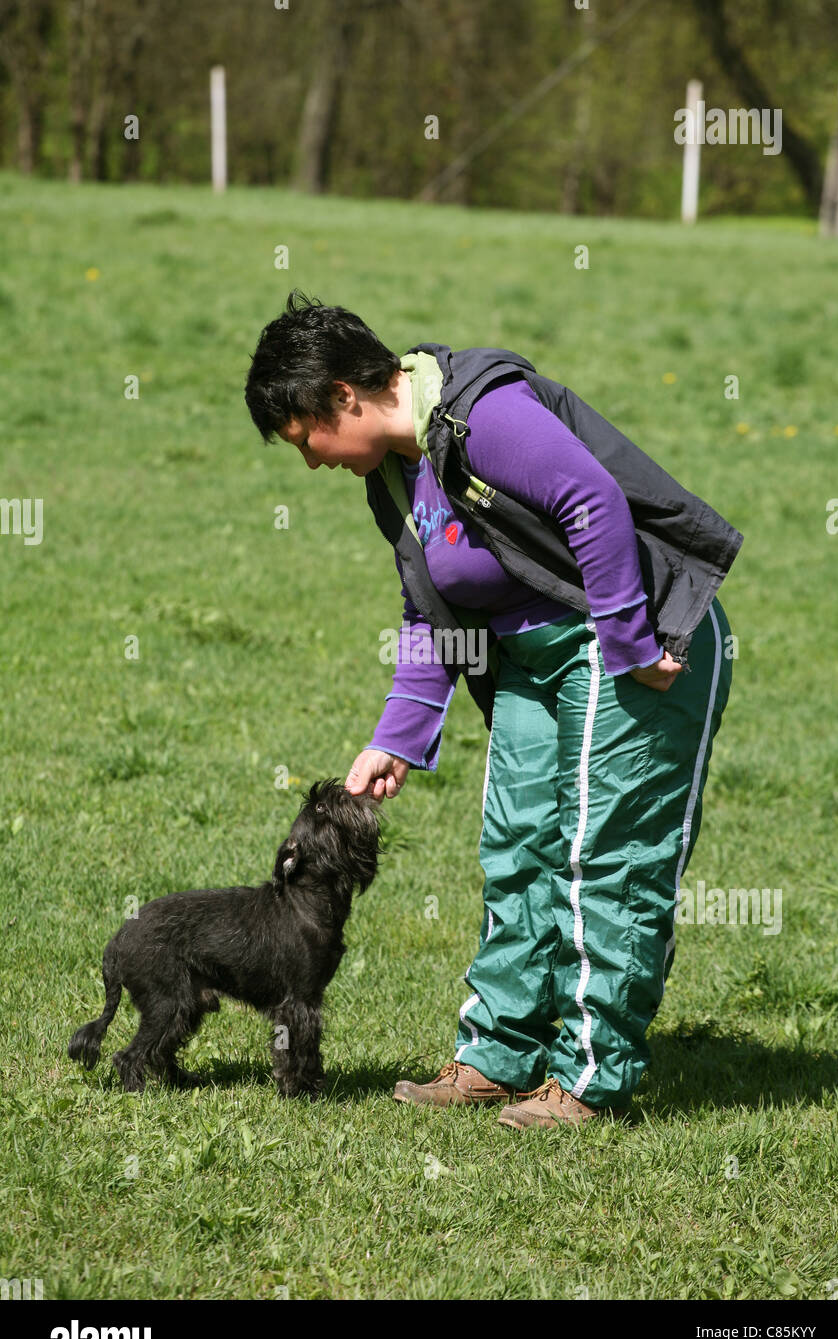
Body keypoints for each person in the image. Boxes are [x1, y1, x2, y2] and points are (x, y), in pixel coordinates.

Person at [245, 291, 740, 1131]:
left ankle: (591, 1076)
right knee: (516, 847)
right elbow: (427, 608)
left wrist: (625, 640)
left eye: (307, 439)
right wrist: (394, 740)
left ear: (343, 395)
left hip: (630, 644)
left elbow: (593, 502)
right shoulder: (394, 476)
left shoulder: (484, 415)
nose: (312, 462)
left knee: (605, 855)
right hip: (529, 659)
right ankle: (500, 1055)